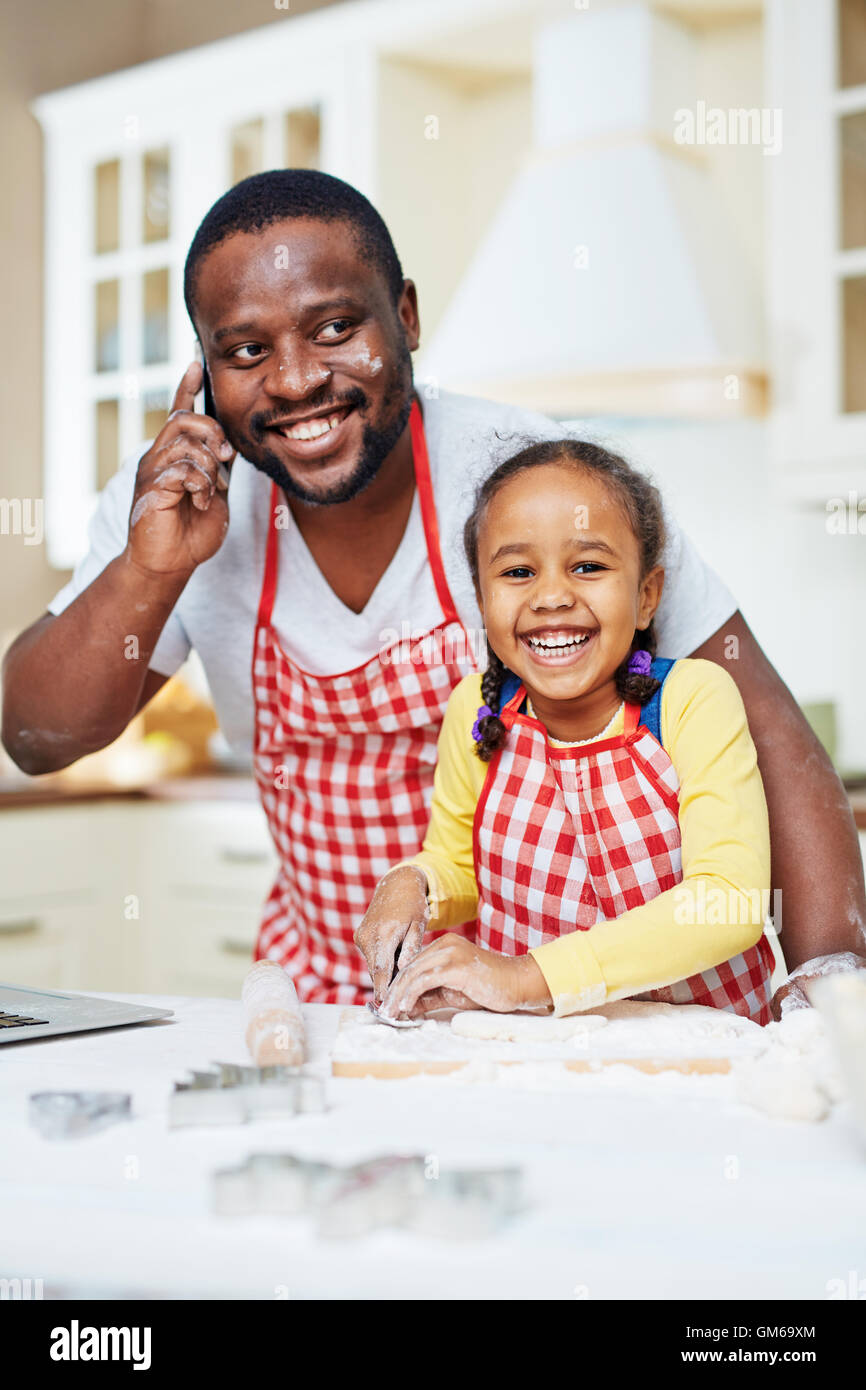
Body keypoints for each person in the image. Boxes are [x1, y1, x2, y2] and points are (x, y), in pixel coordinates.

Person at [2, 170, 863, 1011]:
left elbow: (770, 736)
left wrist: (831, 992)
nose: (296, 379)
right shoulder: (173, 498)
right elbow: (35, 736)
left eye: (335, 326)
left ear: (404, 315)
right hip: (335, 1000)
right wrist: (150, 569)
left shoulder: (532, 482)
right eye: (246, 350)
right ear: (206, 369)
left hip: (562, 994)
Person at [364, 439, 775, 1023]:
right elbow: (459, 865)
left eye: (588, 566)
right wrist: (413, 883)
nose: (552, 597)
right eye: (517, 571)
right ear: (481, 600)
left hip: (699, 1052)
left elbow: (728, 904)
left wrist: (524, 977)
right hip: (531, 1049)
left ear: (645, 597)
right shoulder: (475, 712)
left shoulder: (693, 700)